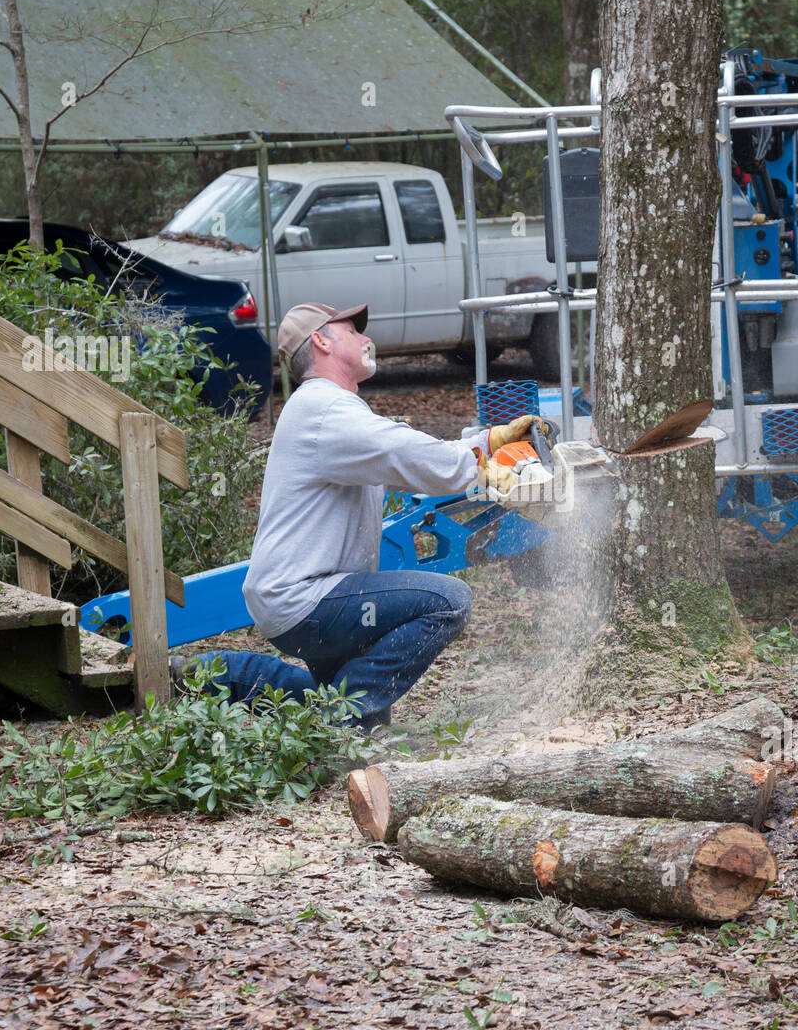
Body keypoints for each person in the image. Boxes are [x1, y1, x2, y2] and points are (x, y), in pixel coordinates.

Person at [180, 301, 537, 730]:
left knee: (353, 711)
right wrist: (482, 468)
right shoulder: (323, 409)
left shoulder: (334, 413)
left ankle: (210, 673)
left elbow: (404, 458)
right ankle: (337, 726)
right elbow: (402, 450)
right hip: (309, 598)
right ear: (321, 341)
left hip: (313, 597)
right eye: (352, 330)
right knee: (448, 601)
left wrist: (488, 441)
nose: (367, 339)